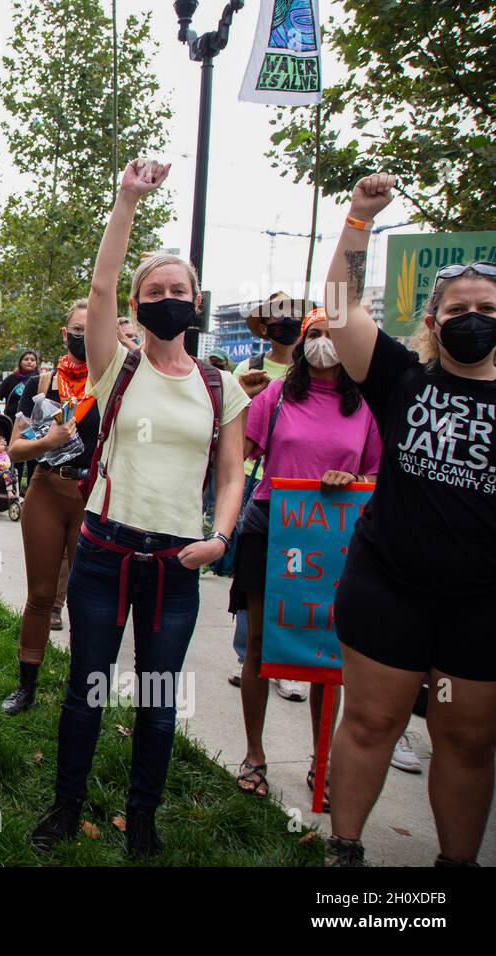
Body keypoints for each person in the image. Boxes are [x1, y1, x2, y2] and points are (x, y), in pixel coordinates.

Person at [31, 159, 249, 857]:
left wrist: (219, 537)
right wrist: (126, 199)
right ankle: (66, 806)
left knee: (159, 704)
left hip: (178, 566)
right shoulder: (115, 364)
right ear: (137, 303)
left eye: (177, 289)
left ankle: (143, 817)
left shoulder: (221, 388)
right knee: (87, 689)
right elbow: (98, 287)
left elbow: (231, 475)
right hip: (104, 553)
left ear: (195, 299)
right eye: (152, 290)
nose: (165, 297)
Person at [322, 173, 496, 868]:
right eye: (459, 307)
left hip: (480, 605)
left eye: (487, 306)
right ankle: (345, 849)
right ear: (432, 321)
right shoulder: (402, 379)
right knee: (369, 722)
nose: (474, 316)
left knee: (468, 740)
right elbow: (338, 309)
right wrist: (361, 218)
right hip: (388, 587)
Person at [231, 307, 381, 810]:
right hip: (269, 529)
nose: (321, 342)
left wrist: (353, 481)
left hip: (333, 543)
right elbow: (236, 454)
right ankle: (254, 755)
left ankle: (324, 761)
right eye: (313, 334)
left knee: (325, 652)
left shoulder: (366, 407)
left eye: (330, 334)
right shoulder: (276, 396)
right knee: (258, 645)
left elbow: (379, 477)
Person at [2, 299, 98, 714]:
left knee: (88, 600)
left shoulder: (113, 384)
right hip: (46, 489)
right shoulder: (41, 385)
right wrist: (47, 443)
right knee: (41, 594)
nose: (84, 336)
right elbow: (14, 450)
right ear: (65, 334)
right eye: (78, 328)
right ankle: (27, 686)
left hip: (93, 496)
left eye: (92, 329)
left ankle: (81, 693)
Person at [234, 292, 314, 703]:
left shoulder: (315, 371)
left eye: (294, 318)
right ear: (264, 328)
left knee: (295, 581)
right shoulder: (248, 368)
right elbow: (231, 427)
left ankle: (286, 663)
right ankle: (248, 656)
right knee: (253, 580)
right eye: (277, 318)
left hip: (301, 487)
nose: (286, 324)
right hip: (254, 479)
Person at [0, 350, 39, 417]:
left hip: (33, 423)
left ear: (36, 364)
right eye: (26, 359)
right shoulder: (11, 379)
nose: (29, 362)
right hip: (11, 421)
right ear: (20, 363)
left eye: (32, 360)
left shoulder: (41, 380)